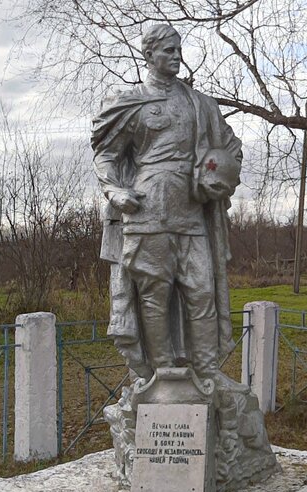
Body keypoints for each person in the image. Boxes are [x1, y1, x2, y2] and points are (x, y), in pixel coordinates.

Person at [91, 24, 242, 381]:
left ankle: (206, 370)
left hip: (191, 212)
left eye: (178, 50)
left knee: (202, 291)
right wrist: (115, 191)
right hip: (147, 212)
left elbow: (228, 148)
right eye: (168, 51)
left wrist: (216, 171)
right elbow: (105, 156)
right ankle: (162, 374)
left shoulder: (199, 103)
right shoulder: (133, 102)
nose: (176, 57)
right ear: (148, 55)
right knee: (154, 297)